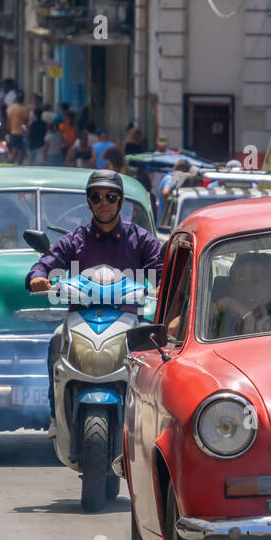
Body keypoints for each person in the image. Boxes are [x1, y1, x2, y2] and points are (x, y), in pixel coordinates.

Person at [26, 170, 162, 419]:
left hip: (129, 323)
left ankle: (151, 419)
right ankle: (56, 416)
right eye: (96, 197)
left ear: (120, 201)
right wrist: (38, 276)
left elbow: (160, 269)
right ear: (88, 201)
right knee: (57, 340)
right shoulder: (75, 239)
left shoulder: (141, 239)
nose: (104, 203)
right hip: (80, 323)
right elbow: (48, 260)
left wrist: (162, 285)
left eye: (110, 196)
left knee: (157, 352)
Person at [208, 252, 271, 337]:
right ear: (232, 289)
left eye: (257, 281)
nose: (248, 289)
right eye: (241, 281)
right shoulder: (222, 318)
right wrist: (225, 303)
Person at [158, 158, 191, 223]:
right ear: (183, 170)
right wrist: (172, 208)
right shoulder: (170, 178)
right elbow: (165, 193)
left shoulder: (170, 177)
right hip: (165, 221)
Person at [6, 93, 30, 164]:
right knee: (20, 152)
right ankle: (18, 166)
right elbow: (26, 122)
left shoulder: (11, 108)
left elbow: (8, 121)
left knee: (13, 152)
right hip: (20, 133)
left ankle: (10, 164)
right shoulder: (25, 109)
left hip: (13, 132)